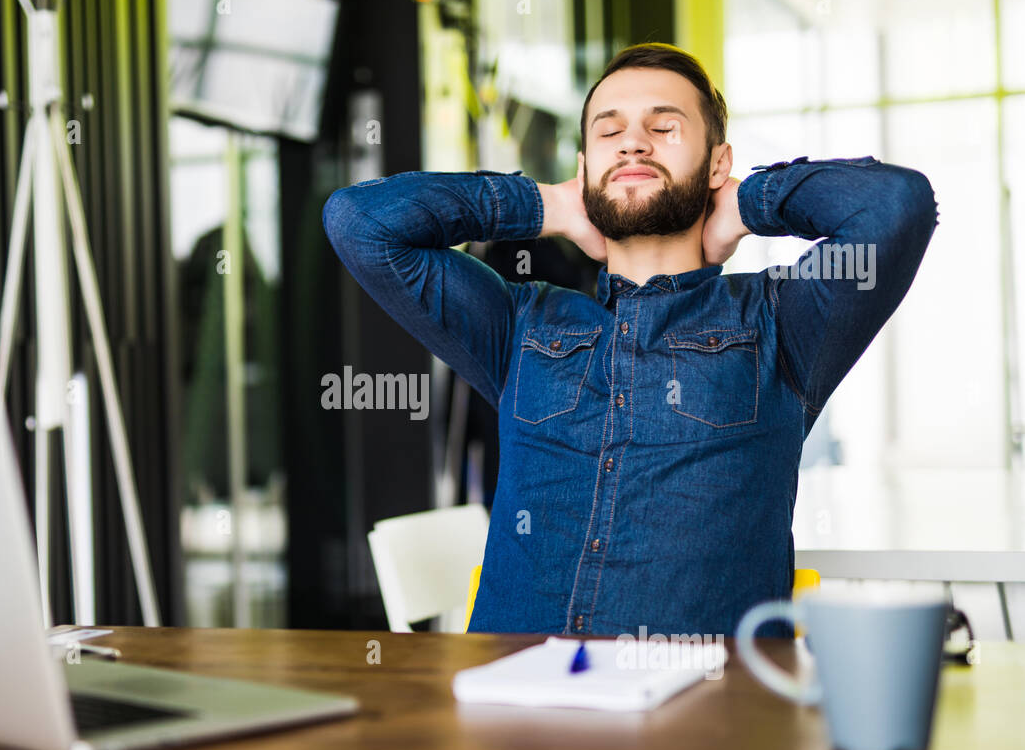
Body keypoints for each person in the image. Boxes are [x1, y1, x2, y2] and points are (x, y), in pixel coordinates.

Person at [321, 43, 938, 637]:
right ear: (585, 164)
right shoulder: (519, 325)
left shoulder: (782, 322)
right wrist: (544, 207)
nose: (634, 142)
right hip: (511, 710)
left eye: (664, 127)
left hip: (699, 718)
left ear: (717, 162)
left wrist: (748, 203)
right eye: (608, 132)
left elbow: (896, 206)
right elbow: (360, 221)